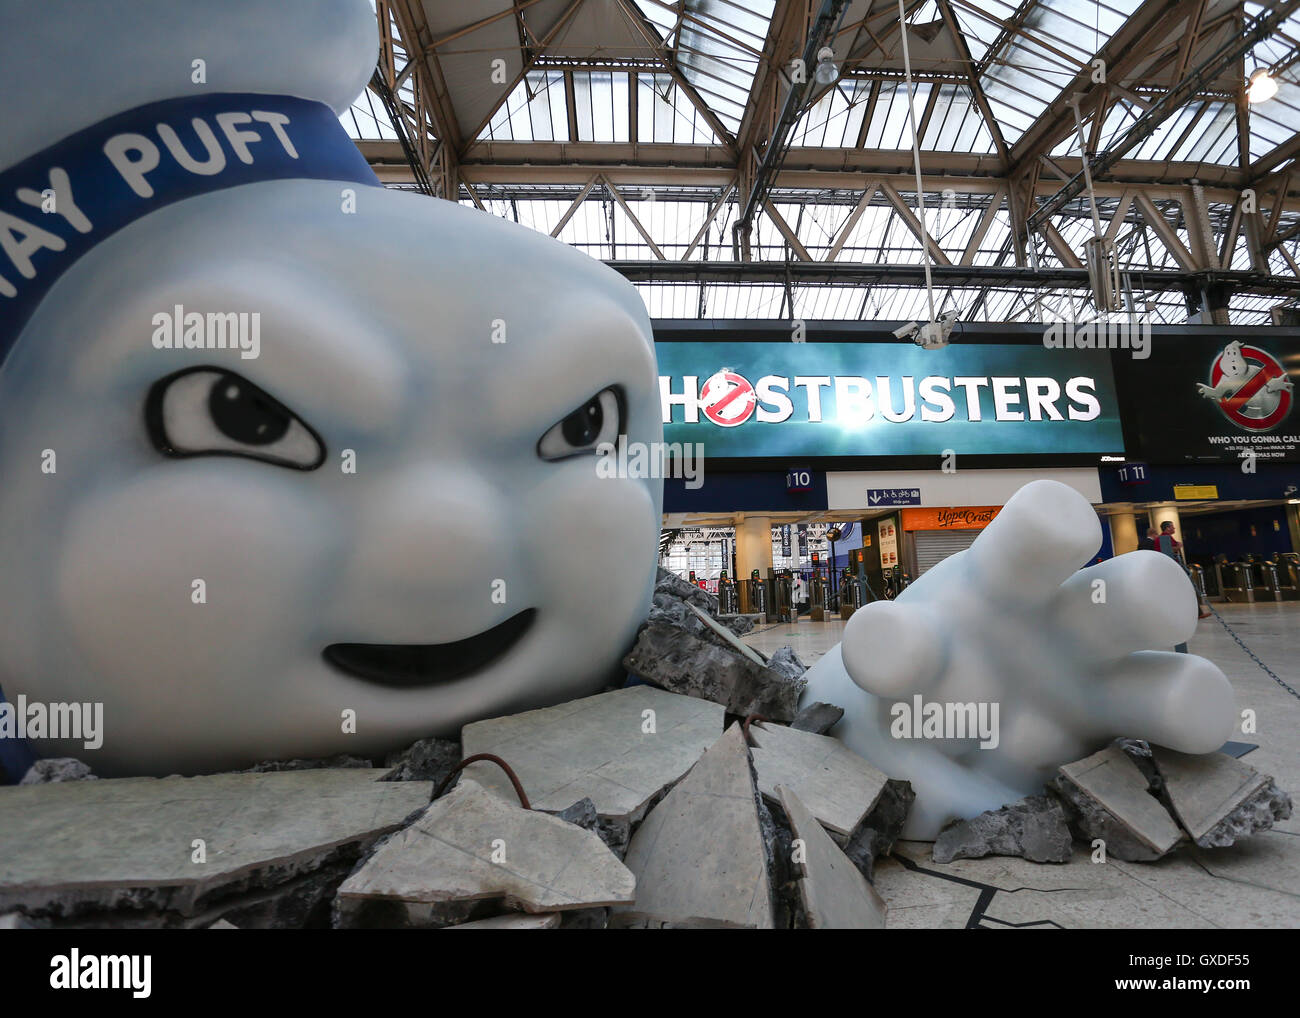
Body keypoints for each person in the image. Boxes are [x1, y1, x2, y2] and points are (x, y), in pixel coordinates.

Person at [1154, 521, 1213, 625]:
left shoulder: (1159, 539)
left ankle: (1196, 612)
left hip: (1167, 568)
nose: (1174, 529)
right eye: (1172, 527)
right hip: (1174, 569)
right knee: (1188, 590)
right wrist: (1179, 546)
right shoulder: (1166, 538)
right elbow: (1170, 550)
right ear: (1167, 528)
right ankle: (1197, 613)